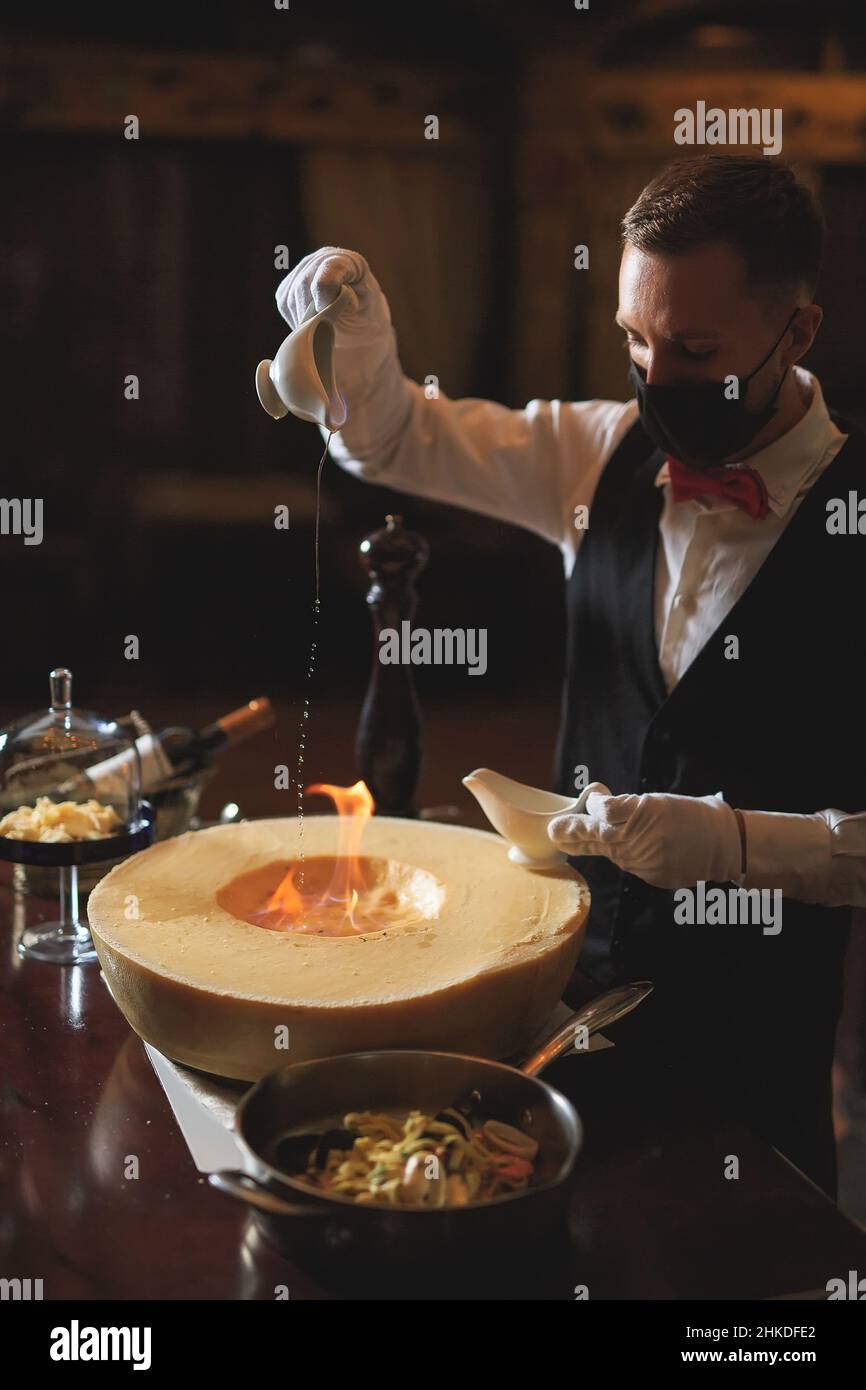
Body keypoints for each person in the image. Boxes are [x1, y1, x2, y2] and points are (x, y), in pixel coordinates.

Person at [274, 155, 866, 1198]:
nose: (654, 377)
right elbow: (398, 439)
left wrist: (738, 845)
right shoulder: (598, 455)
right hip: (551, 1014)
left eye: (692, 349)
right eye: (635, 342)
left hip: (754, 1056)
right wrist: (359, 350)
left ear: (796, 332)